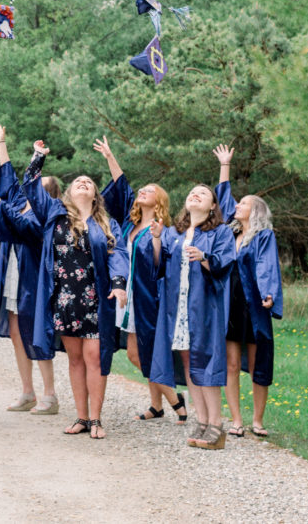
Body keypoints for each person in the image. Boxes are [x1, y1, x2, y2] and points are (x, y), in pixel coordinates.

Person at [1, 140, 126, 438]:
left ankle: (96, 419)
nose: (83, 183)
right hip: (65, 298)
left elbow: (118, 254)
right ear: (69, 192)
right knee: (74, 359)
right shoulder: (54, 214)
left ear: (95, 194)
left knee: (94, 356)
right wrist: (38, 156)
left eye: (89, 182)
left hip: (95, 297)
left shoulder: (106, 223)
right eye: (78, 181)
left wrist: (120, 285)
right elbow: (29, 185)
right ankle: (81, 417)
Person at [151, 151, 238, 450]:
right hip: (179, 310)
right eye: (192, 193)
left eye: (203, 194)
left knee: (207, 364)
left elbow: (226, 263)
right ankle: (201, 421)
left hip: (205, 308)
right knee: (189, 364)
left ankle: (216, 424)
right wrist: (156, 239)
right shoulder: (175, 234)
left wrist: (204, 257)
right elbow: (159, 269)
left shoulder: (219, 233)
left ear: (213, 205)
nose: (195, 196)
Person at [0, 123, 59, 416]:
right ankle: (27, 391)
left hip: (32, 279)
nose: (29, 186)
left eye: (38, 183)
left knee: (35, 331)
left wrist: (1, 203)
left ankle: (50, 395)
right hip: (12, 273)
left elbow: (26, 227)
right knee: (16, 332)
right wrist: (1, 143)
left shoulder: (45, 215)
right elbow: (8, 176)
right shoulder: (17, 201)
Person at [108, 160, 186, 424]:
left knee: (147, 353)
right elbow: (122, 187)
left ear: (159, 200)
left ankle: (173, 401)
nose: (143, 191)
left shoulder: (164, 229)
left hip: (148, 298)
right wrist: (109, 156)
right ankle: (158, 404)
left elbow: (158, 264)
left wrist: (155, 238)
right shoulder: (130, 226)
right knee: (136, 354)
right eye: (142, 190)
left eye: (149, 190)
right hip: (126, 296)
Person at [224, 191, 282, 438]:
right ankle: (236, 420)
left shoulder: (264, 236)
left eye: (244, 203)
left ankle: (257, 421)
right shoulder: (230, 234)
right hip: (230, 306)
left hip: (254, 305)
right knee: (232, 365)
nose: (237, 205)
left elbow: (266, 264)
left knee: (259, 364)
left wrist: (269, 293)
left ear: (256, 210)